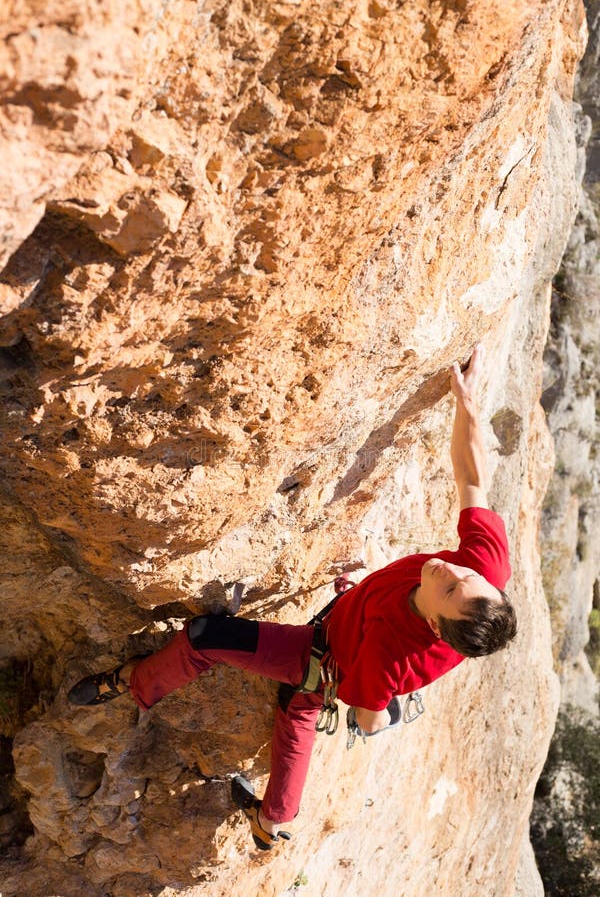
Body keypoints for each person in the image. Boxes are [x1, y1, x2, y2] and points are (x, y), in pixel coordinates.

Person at [68, 345, 516, 850]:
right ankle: (271, 823)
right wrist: (468, 405)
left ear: (436, 626)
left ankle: (134, 682)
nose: (450, 568)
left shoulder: (389, 656)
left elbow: (367, 718)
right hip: (347, 621)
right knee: (291, 703)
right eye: (465, 575)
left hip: (324, 658)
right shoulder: (485, 571)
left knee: (223, 649)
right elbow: (472, 480)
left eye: (451, 588)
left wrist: (378, 710)